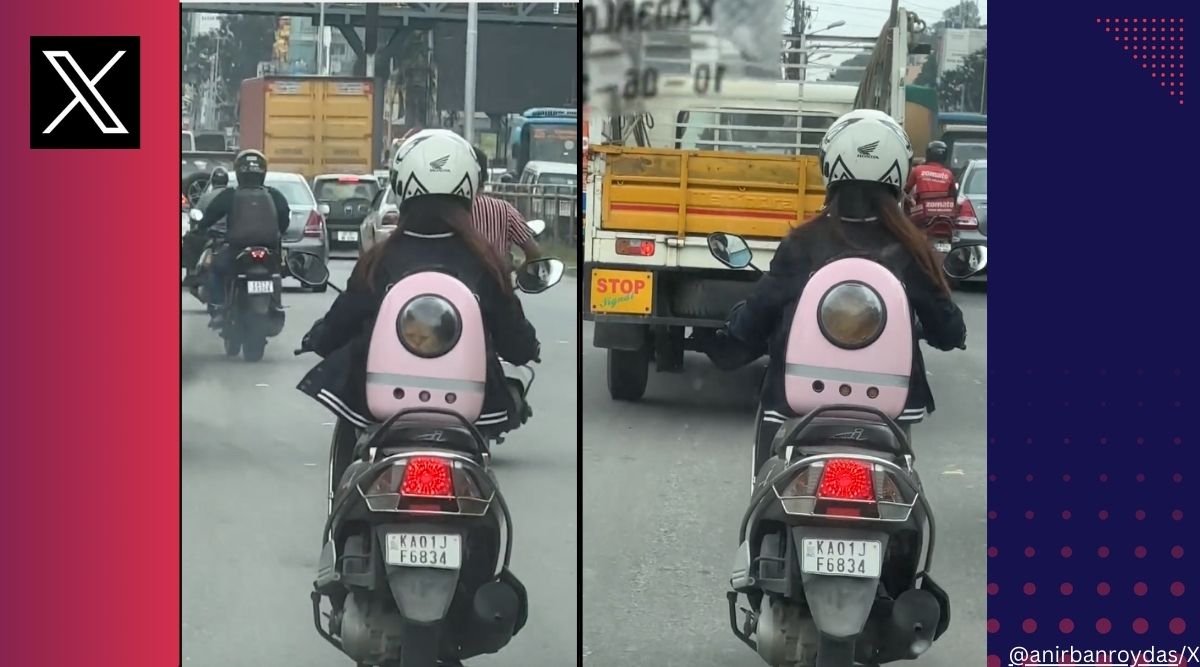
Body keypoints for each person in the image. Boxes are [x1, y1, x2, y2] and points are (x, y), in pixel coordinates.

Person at [698, 112, 967, 476]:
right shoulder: (911, 249)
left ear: (830, 168)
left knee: (769, 486)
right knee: (899, 489)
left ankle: (758, 531)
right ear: (900, 172)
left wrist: (733, 331)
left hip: (795, 402)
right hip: (888, 409)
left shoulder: (803, 244)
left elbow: (759, 312)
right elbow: (948, 332)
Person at [296, 129, 541, 493]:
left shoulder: (381, 259)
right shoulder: (486, 264)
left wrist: (316, 337)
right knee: (482, 477)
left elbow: (341, 322)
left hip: (379, 404)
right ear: (468, 188)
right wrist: (526, 347)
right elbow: (517, 342)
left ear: (401, 188)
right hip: (468, 408)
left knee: (350, 421)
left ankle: (340, 509)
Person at [195, 150, 291, 325]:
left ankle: (218, 308)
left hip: (236, 250)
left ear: (239, 172)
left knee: (215, 269)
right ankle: (275, 304)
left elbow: (210, 216)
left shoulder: (230, 195)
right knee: (276, 273)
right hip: (269, 250)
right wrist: (279, 233)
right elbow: (285, 219)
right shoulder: (274, 195)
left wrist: (200, 228)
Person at [470, 146, 543, 267]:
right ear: (485, 176)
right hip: (496, 282)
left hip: (453, 282)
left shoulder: (445, 209)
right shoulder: (505, 210)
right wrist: (518, 273)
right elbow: (534, 252)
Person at [905, 140, 958, 227]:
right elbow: (954, 196)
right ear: (945, 156)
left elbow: (905, 191)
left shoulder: (918, 170)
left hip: (922, 216)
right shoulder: (949, 174)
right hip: (945, 216)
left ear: (928, 154)